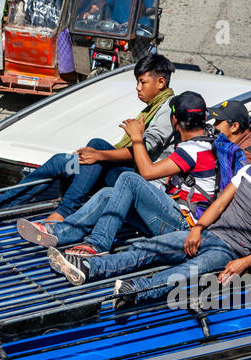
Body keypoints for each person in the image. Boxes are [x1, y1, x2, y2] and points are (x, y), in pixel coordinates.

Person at [43, 130, 251, 307]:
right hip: (208, 233)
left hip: (231, 251)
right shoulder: (248, 171)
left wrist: (242, 263)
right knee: (149, 248)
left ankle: (137, 291)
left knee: (187, 271)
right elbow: (219, 204)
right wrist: (198, 230)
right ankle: (89, 268)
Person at [0, 54, 176, 220]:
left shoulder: (167, 109)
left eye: (142, 82)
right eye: (137, 82)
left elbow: (144, 149)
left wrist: (100, 155)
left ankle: (63, 212)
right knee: (62, 162)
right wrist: (97, 155)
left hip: (137, 181)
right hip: (121, 170)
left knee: (95, 149)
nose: (138, 88)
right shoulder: (152, 107)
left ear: (160, 82)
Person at [16, 91, 218, 257]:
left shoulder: (194, 149)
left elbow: (147, 173)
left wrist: (137, 137)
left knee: (129, 178)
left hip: (180, 226)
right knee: (108, 194)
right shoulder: (205, 142)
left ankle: (97, 245)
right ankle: (59, 232)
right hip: (171, 216)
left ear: (174, 119)